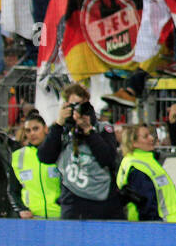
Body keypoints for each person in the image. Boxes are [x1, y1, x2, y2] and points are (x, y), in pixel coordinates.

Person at [37, 85, 123, 220]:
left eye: (81, 106)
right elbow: (45, 157)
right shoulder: (62, 130)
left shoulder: (102, 128)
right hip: (73, 200)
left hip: (103, 201)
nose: (77, 112)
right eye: (73, 106)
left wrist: (89, 131)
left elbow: (109, 159)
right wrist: (59, 124)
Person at [116, 124, 176, 222]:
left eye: (150, 134)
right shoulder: (138, 168)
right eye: (146, 136)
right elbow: (147, 206)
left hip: (167, 226)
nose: (151, 138)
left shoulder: (145, 161)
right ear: (134, 143)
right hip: (160, 227)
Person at [9, 113, 61, 219]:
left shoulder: (59, 151)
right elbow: (13, 190)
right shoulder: (18, 156)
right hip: (32, 218)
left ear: (46, 129)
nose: (32, 133)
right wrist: (21, 209)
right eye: (28, 130)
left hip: (60, 216)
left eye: (36, 129)